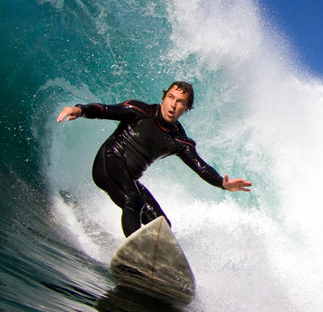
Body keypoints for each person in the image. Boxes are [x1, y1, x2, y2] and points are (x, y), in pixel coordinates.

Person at [57, 81, 251, 237]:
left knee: (162, 227)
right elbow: (105, 110)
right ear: (164, 98)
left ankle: (154, 263)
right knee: (134, 200)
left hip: (129, 179)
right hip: (108, 162)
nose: (173, 105)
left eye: (180, 102)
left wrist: (222, 183)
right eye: (171, 97)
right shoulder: (139, 111)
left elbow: (200, 166)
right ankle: (135, 249)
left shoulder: (179, 140)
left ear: (187, 108)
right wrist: (81, 110)